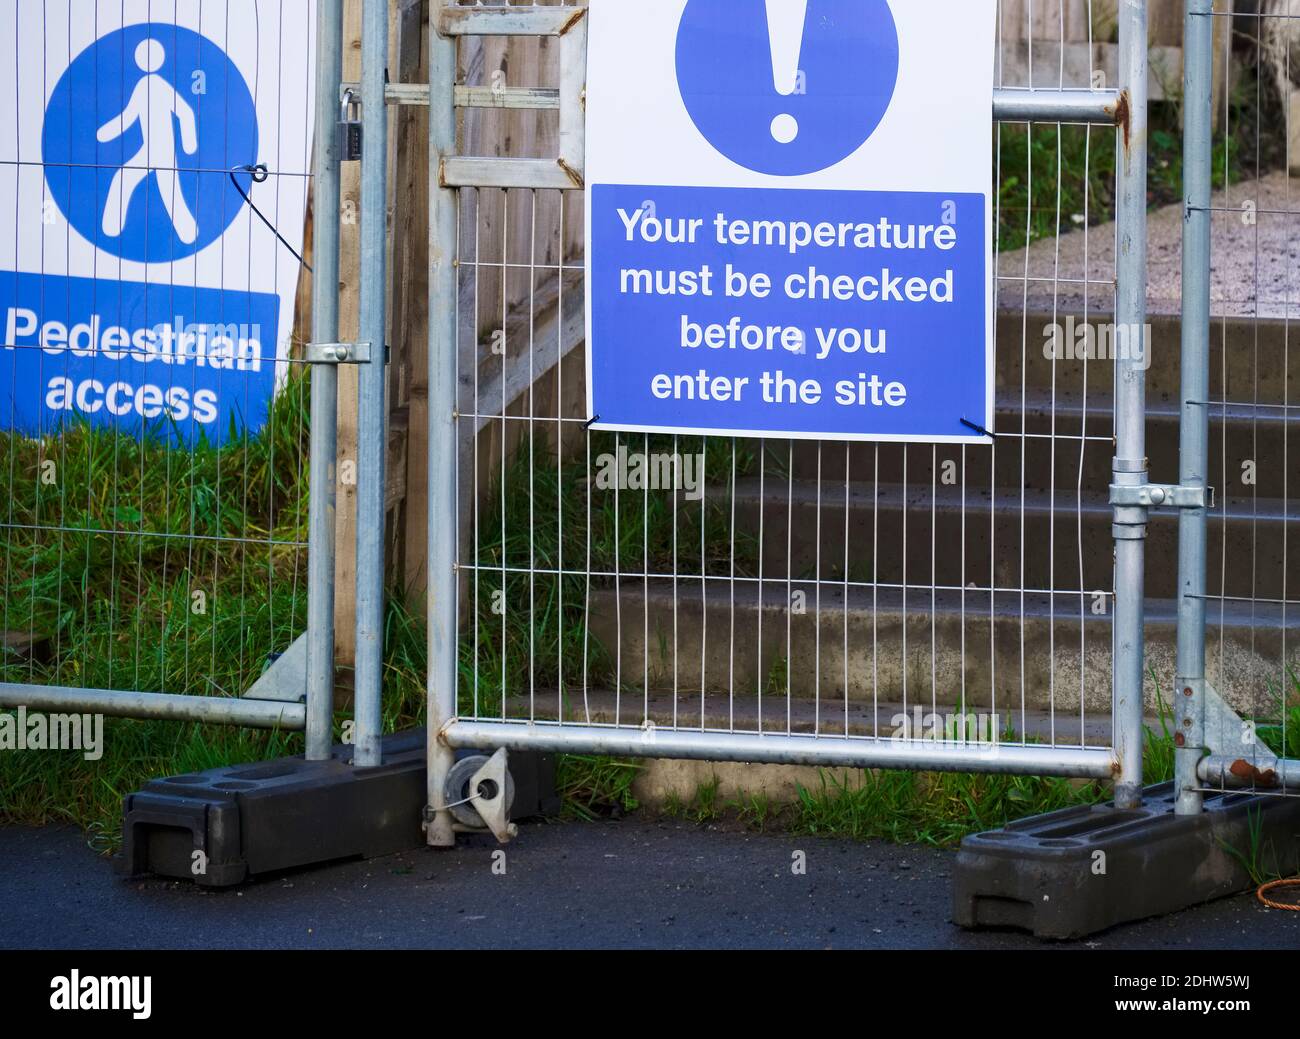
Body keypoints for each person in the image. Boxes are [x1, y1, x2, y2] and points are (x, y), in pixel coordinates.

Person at [97, 38, 199, 245]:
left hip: (163, 151)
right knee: (126, 179)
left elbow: (186, 112)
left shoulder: (158, 85)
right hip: (151, 149)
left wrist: (189, 144)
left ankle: (188, 233)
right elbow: (129, 115)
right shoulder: (143, 86)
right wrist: (106, 132)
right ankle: (111, 228)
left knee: (169, 193)